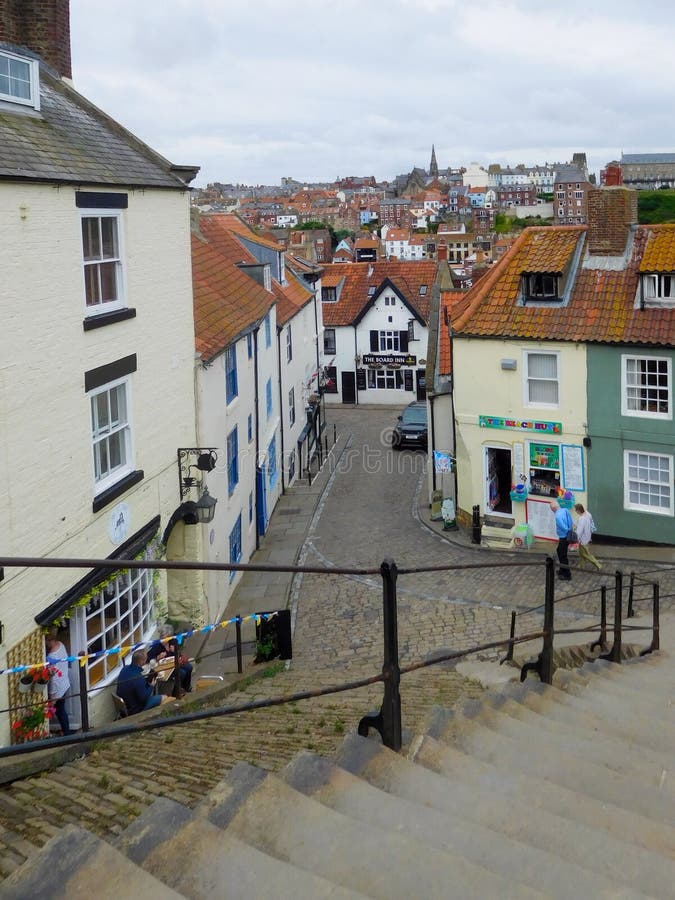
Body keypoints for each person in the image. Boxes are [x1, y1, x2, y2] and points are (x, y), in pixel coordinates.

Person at [116, 649, 165, 715]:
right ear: (142, 662)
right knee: (164, 697)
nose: (146, 660)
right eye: (146, 659)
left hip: (126, 706)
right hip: (135, 710)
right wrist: (151, 686)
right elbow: (144, 699)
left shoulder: (124, 669)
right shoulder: (138, 677)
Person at [146, 624, 193, 693]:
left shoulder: (172, 641)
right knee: (182, 673)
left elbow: (179, 654)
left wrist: (175, 651)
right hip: (166, 668)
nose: (163, 640)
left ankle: (186, 687)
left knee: (189, 667)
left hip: (175, 663)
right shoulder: (156, 646)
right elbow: (147, 659)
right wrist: (157, 657)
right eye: (162, 637)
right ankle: (176, 691)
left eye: (165, 638)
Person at [45, 632, 72, 736]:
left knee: (60, 712)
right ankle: (65, 731)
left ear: (49, 641)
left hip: (58, 688)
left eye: (46, 642)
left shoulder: (51, 657)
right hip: (65, 682)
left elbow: (53, 679)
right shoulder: (61, 645)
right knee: (61, 710)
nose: (46, 644)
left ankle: (66, 733)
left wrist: (52, 696)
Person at [549, 500, 573, 581]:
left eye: (551, 509)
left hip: (563, 537)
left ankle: (567, 574)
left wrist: (566, 531)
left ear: (553, 509)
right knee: (559, 551)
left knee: (563, 556)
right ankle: (562, 570)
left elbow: (563, 527)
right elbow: (570, 520)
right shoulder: (565, 510)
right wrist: (570, 530)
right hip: (567, 535)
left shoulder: (557, 516)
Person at [574, 503, 602, 571]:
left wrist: (576, 538)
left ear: (578, 510)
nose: (575, 511)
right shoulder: (588, 514)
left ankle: (598, 565)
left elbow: (579, 531)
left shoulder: (581, 519)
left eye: (576, 510)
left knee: (586, 554)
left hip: (583, 539)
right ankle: (582, 566)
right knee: (581, 553)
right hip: (588, 537)